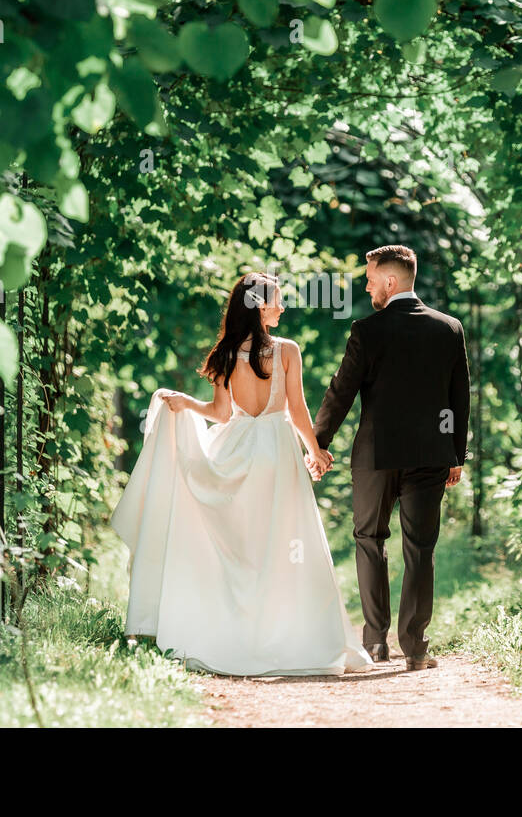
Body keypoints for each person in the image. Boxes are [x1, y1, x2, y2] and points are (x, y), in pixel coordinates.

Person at [111, 272, 371, 676]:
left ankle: (233, 633)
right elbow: (296, 410)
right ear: (259, 306)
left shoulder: (226, 352)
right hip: (276, 454)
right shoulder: (286, 351)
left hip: (234, 451)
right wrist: (314, 450)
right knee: (283, 544)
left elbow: (218, 413)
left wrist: (185, 404)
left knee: (239, 547)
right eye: (277, 301)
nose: (282, 308)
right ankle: (288, 636)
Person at [311, 245, 470, 671]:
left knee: (369, 540)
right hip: (430, 454)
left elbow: (341, 391)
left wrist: (318, 442)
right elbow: (459, 398)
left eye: (370, 279)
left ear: (391, 282)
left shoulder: (367, 330)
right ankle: (415, 649)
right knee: (421, 548)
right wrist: (456, 453)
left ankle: (375, 643)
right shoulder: (449, 328)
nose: (366, 287)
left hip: (375, 455)